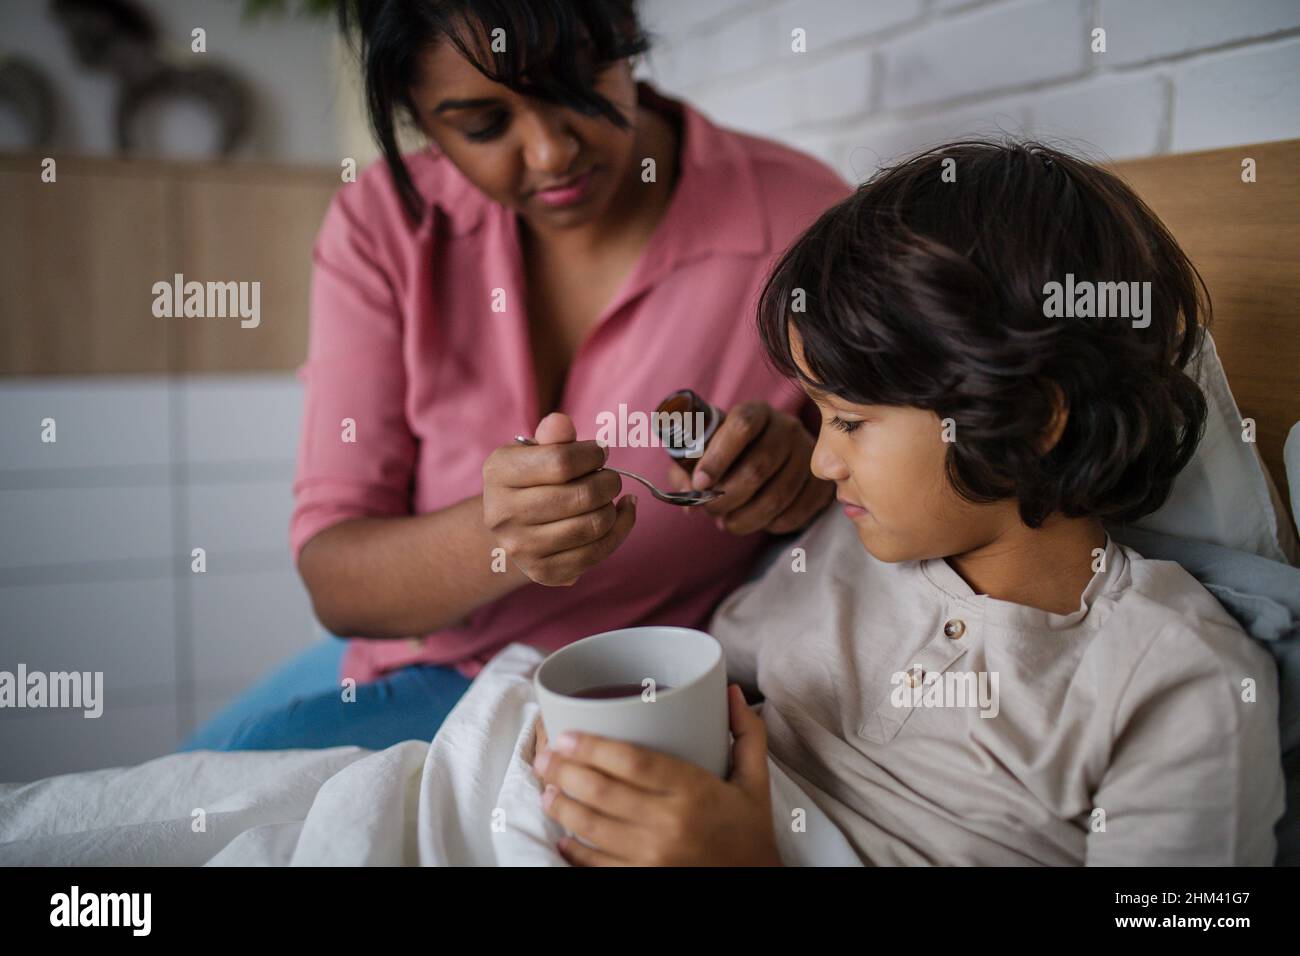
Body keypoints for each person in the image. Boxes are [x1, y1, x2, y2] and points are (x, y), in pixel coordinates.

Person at [530, 141, 1286, 866]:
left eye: (852, 422)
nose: (822, 460)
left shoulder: (1175, 683)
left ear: (1029, 420)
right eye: (820, 415)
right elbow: (709, 689)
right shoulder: (842, 547)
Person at [181, 0, 848, 752]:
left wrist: (807, 478)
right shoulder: (381, 229)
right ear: (419, 117)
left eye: (575, 87)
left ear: (626, 39)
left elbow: (878, 470)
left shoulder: (800, 217)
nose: (549, 153)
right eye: (483, 125)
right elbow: (337, 581)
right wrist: (495, 540)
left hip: (634, 689)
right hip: (418, 668)